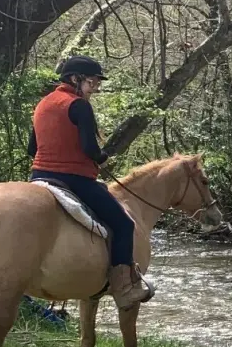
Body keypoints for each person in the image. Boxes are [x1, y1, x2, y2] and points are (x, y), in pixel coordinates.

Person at [28, 55, 152, 309]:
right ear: (75, 79)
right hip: (74, 180)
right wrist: (102, 158)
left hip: (39, 176)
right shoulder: (78, 105)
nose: (95, 88)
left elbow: (32, 148)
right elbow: (89, 148)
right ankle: (123, 287)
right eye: (92, 82)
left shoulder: (42, 104)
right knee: (123, 223)